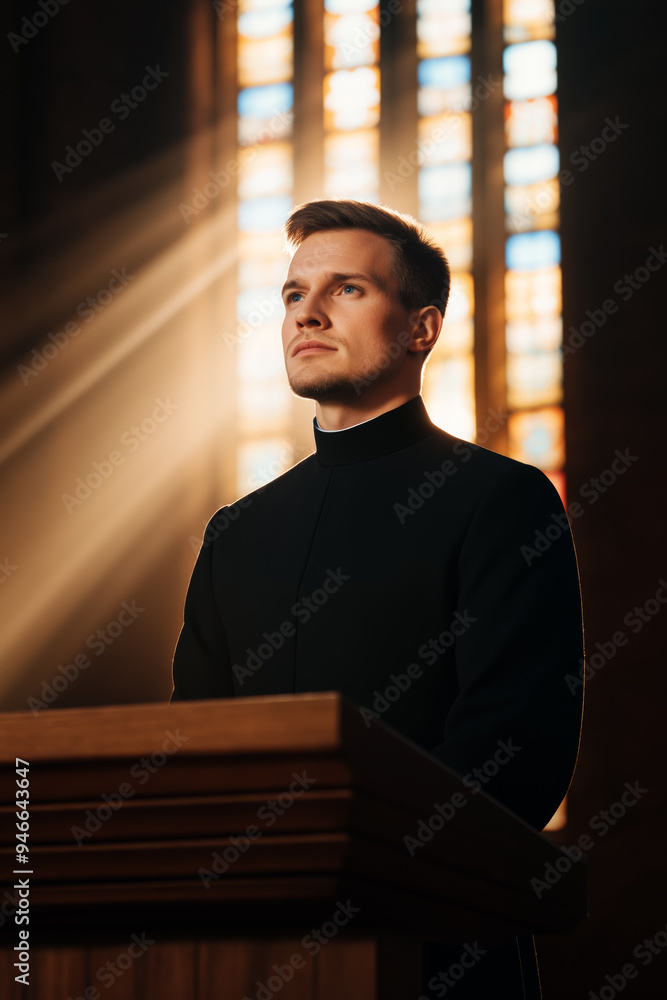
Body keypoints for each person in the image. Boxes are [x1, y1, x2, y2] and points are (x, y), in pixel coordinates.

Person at [171, 199, 584, 998]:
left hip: (434, 949)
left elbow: (514, 757)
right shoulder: (235, 533)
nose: (308, 313)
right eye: (294, 294)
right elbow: (194, 750)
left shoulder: (501, 500)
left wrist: (331, 867)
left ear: (421, 329)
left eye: (346, 289)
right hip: (245, 955)